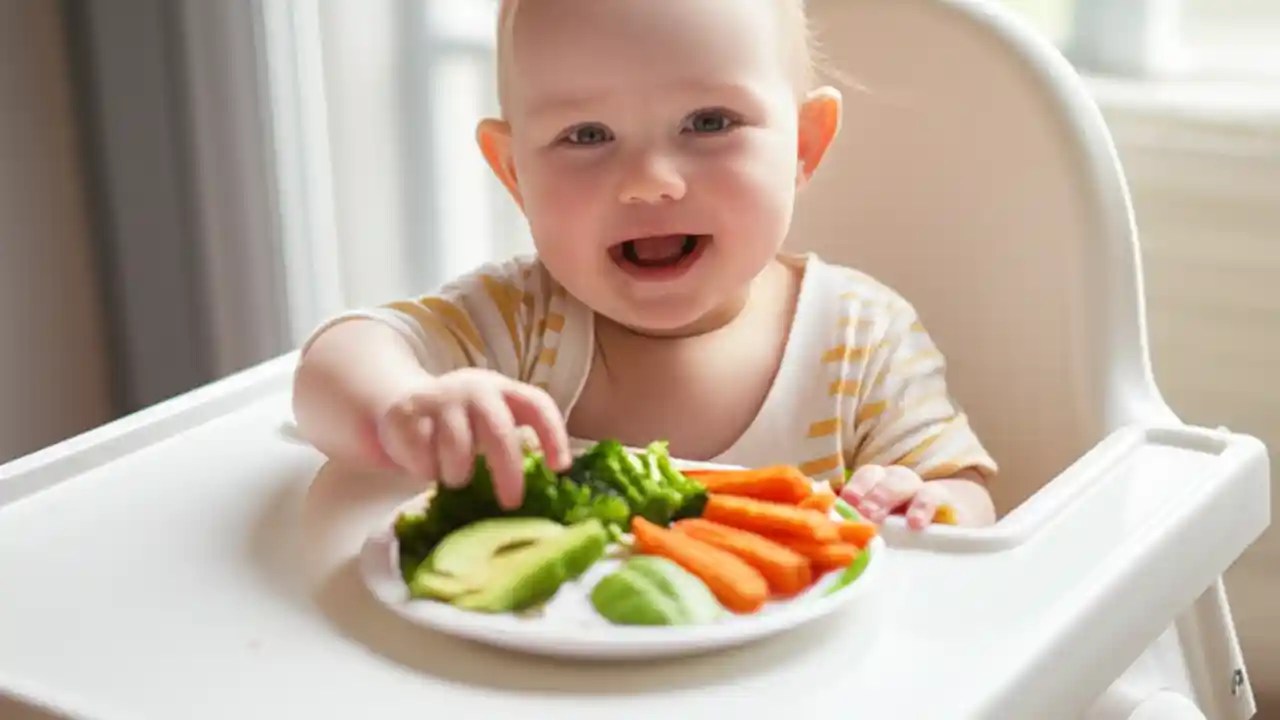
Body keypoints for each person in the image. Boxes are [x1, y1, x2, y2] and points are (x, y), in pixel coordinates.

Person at [292, 0, 998, 529]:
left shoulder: (859, 339)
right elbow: (339, 360)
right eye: (587, 134)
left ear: (804, 147)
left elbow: (969, 499)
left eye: (710, 122)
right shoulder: (518, 325)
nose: (650, 180)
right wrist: (401, 407)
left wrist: (929, 509)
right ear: (515, 175)